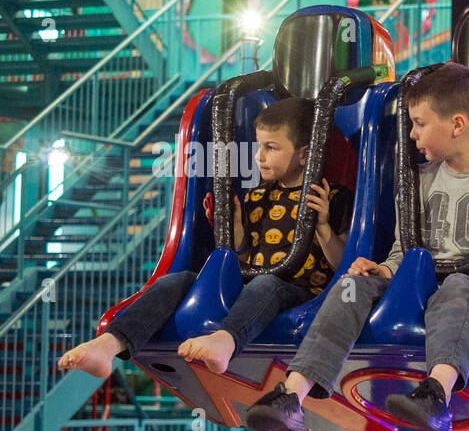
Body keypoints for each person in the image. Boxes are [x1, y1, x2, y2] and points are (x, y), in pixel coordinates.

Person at [245, 62, 469, 431]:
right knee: (352, 285)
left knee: (457, 285)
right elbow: (403, 251)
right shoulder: (416, 181)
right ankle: (293, 395)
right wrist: (381, 270)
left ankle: (436, 394)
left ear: (457, 125)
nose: (413, 134)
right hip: (413, 288)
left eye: (420, 123)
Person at [58, 98, 351, 379]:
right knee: (180, 280)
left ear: (304, 154)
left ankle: (226, 341)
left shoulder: (331, 197)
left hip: (301, 294)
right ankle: (109, 345)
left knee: (267, 283)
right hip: (253, 289)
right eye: (259, 146)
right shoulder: (258, 196)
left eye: (271, 148)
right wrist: (235, 225)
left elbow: (344, 264)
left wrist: (323, 227)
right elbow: (243, 259)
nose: (259, 156)